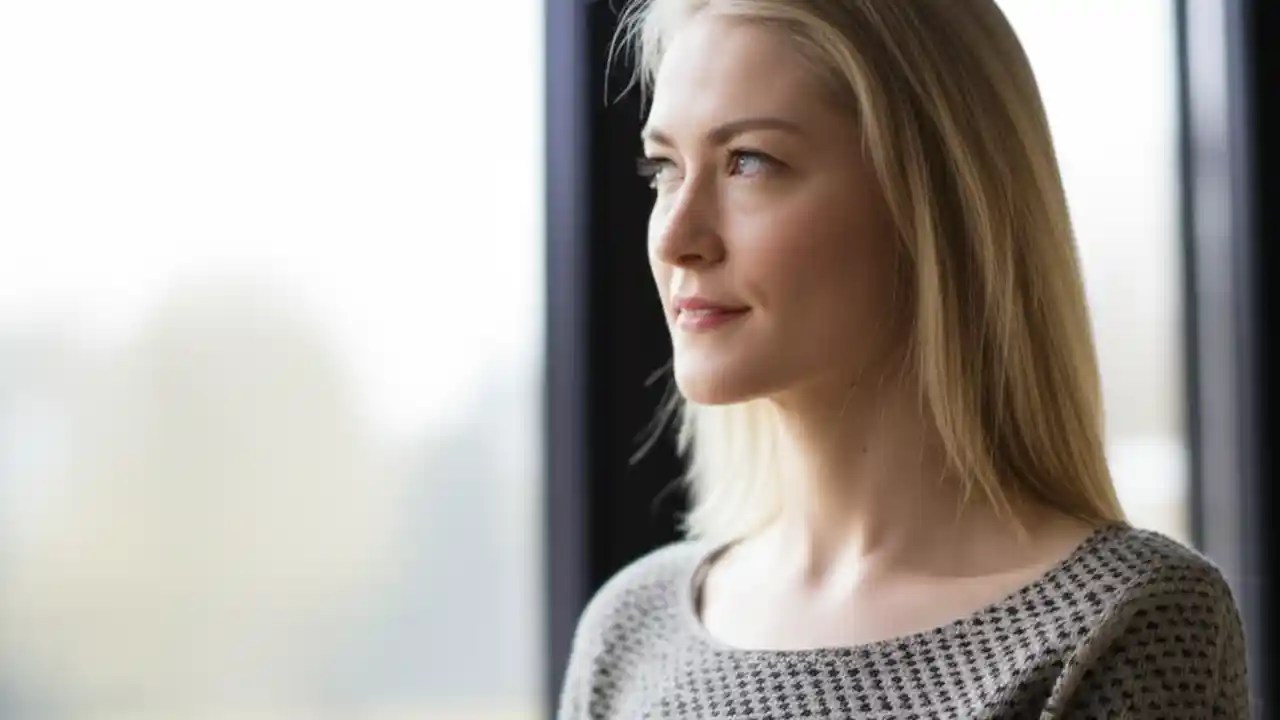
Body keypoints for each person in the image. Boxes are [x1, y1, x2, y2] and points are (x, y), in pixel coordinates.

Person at [557, 0, 1252, 717]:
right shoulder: (631, 631)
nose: (675, 236)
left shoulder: (1122, 622)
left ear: (932, 198)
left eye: (749, 162)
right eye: (663, 167)